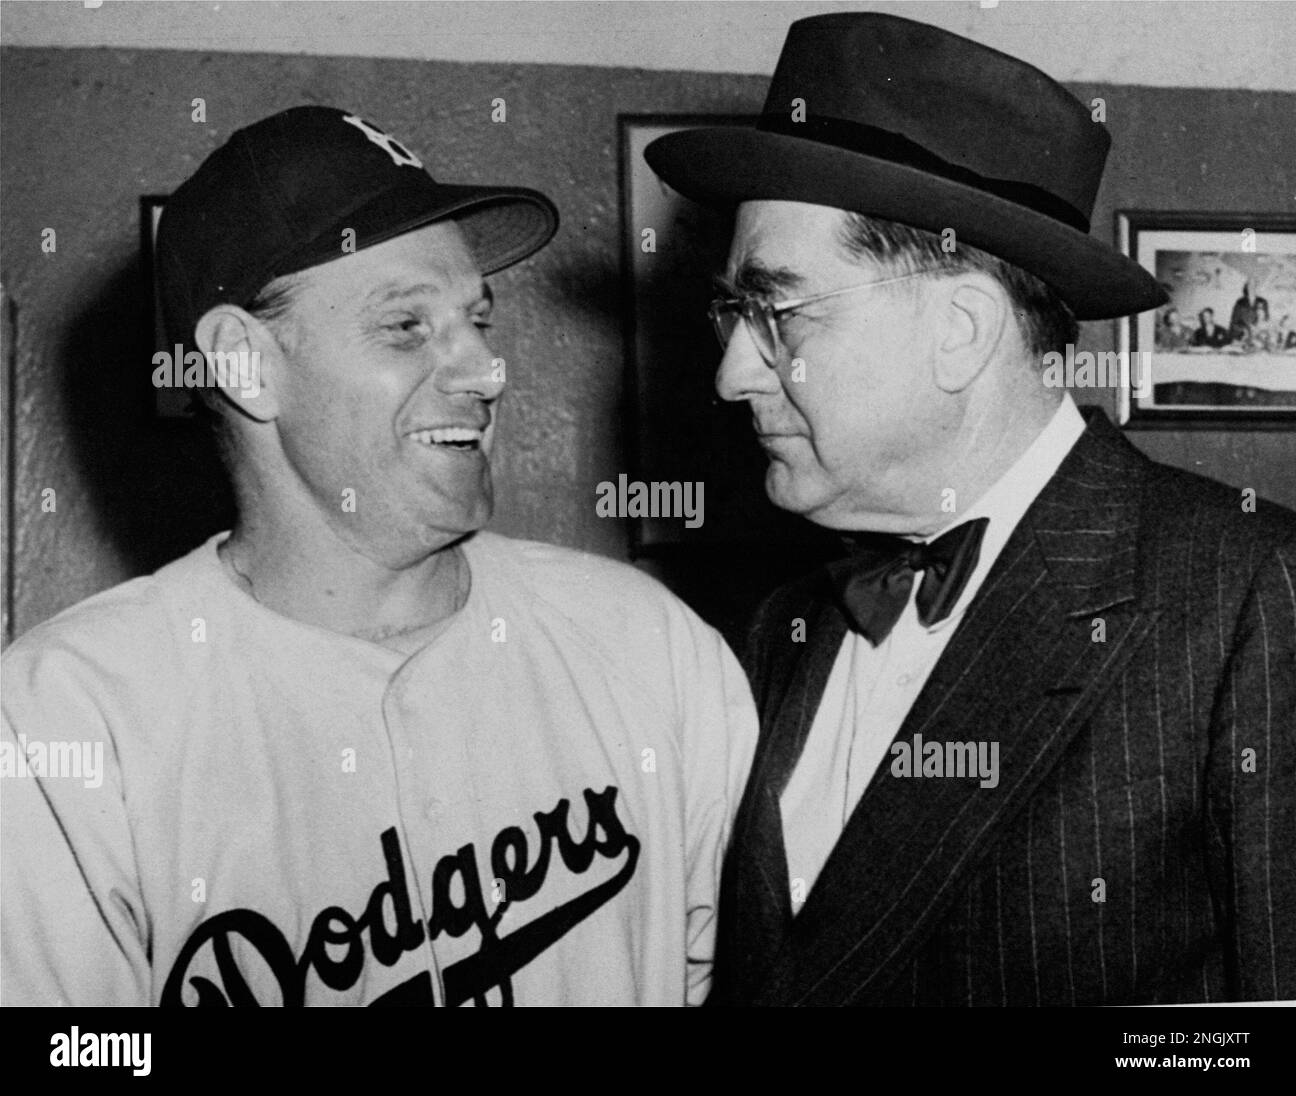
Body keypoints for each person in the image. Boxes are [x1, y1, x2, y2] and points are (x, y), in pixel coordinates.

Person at [0, 106, 758, 1006]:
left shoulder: (649, 648)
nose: (485, 371)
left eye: (480, 320)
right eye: (407, 327)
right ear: (245, 365)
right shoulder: (65, 718)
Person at [646, 13, 1296, 1006]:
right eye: (732, 315)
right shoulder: (777, 623)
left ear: (959, 331)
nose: (734, 373)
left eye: (776, 314)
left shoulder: (1250, 598)